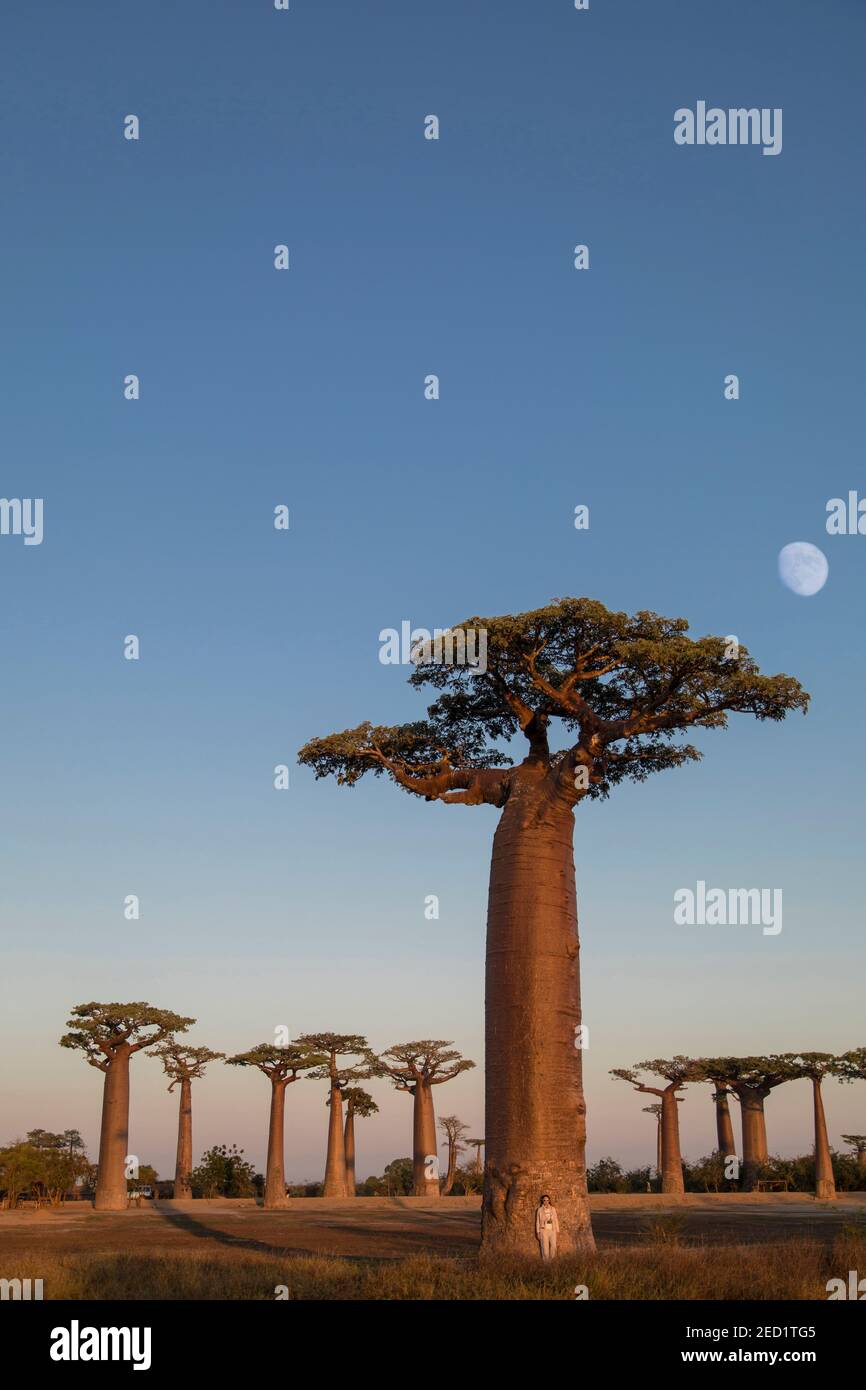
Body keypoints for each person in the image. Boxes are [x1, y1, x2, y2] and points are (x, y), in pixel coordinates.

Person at [535, 1194, 559, 1260]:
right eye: (544, 1200)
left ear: (549, 1201)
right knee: (545, 1249)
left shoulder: (553, 1209)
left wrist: (557, 1230)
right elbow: (537, 1221)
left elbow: (556, 1219)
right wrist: (538, 1232)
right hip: (543, 1230)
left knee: (553, 1246)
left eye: (547, 1200)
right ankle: (546, 1264)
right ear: (542, 1201)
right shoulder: (539, 1210)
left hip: (552, 1230)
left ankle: (552, 1261)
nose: (546, 1201)